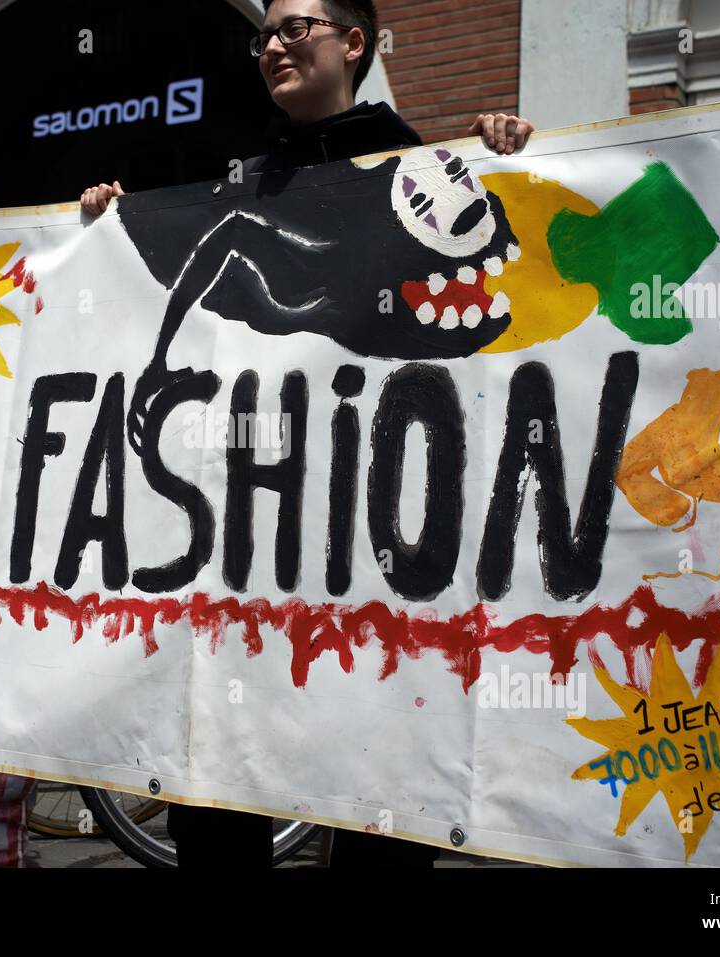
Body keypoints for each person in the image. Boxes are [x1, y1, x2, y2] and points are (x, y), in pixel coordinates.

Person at [80, 0, 534, 868]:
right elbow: (200, 260)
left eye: (295, 29)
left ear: (354, 43)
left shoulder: (427, 168)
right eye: (264, 35)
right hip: (252, 541)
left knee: (383, 799)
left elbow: (499, 294)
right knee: (220, 796)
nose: (273, 47)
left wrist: (516, 153)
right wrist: (113, 223)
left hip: (380, 539)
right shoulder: (243, 178)